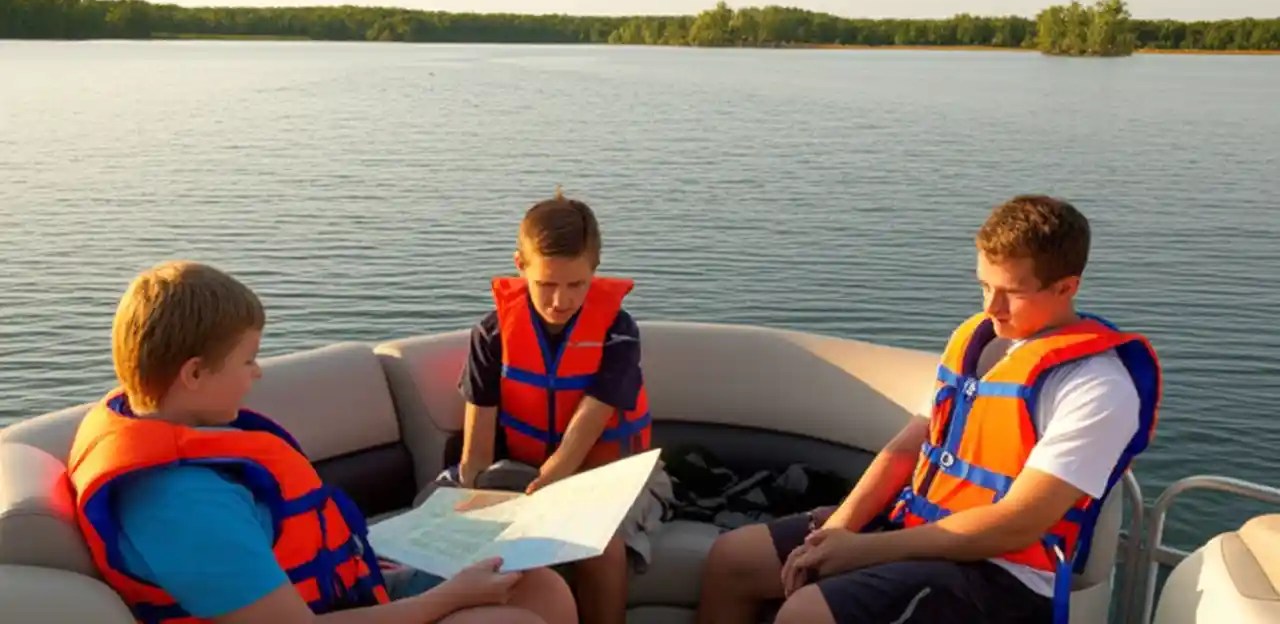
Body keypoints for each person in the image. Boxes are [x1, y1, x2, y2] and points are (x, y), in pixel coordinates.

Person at [695, 195, 1161, 624]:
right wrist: (835, 533)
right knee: (732, 561)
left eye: (1012, 293)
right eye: (984, 285)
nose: (991, 308)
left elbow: (1018, 524)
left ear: (1066, 287)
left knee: (807, 614)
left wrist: (861, 551)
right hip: (915, 525)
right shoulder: (978, 342)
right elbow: (906, 449)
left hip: (1000, 574)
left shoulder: (1097, 386)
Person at [66, 261, 577, 624]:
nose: (257, 374)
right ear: (194, 373)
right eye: (247, 360)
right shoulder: (182, 507)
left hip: (340, 592)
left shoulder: (168, 419)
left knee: (540, 586)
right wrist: (451, 596)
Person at [454, 189, 659, 624]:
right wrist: (477, 497)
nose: (560, 301)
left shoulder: (619, 333)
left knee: (598, 545)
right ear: (520, 266)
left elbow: (589, 422)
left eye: (575, 285)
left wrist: (543, 493)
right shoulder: (491, 335)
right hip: (520, 472)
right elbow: (476, 449)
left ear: (594, 272)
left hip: (607, 476)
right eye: (546, 284)